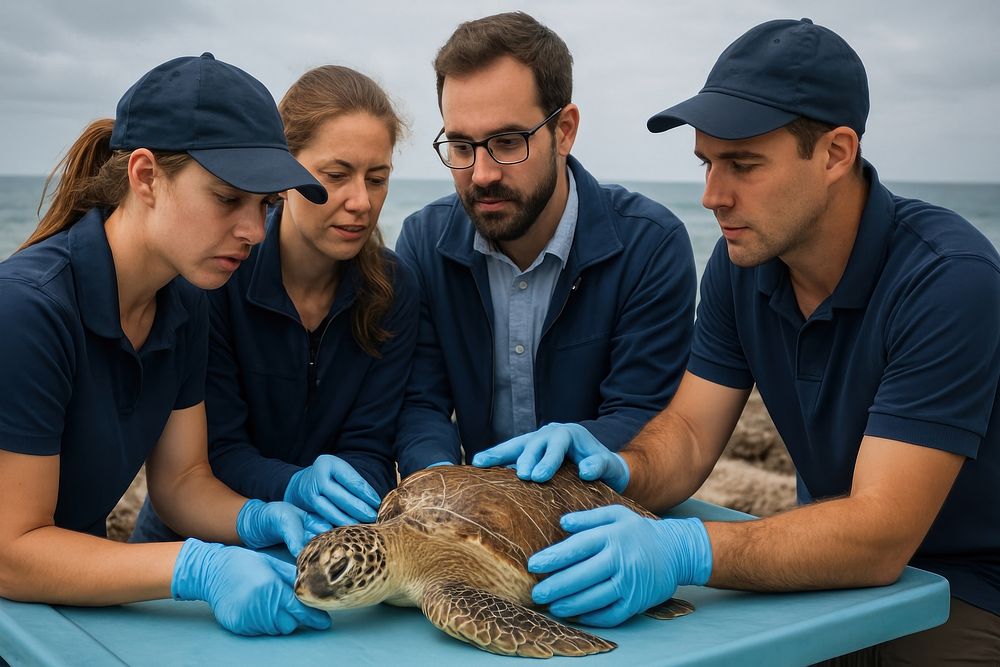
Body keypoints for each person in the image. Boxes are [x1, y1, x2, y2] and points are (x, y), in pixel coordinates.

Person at [473, 18, 1000, 663]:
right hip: (824, 568)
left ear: (835, 154)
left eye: (743, 165)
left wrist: (685, 549)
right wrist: (619, 470)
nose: (712, 196)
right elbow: (691, 435)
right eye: (707, 163)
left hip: (965, 587)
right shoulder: (742, 263)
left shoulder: (949, 281)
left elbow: (881, 534)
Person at [0, 53, 336, 637]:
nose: (256, 232)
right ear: (145, 175)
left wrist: (258, 518)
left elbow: (181, 482)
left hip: (64, 609)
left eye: (267, 205)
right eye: (229, 198)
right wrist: (195, 566)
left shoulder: (184, 305)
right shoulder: (28, 311)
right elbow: (11, 551)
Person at [393, 11, 696, 476]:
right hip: (471, 512)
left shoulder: (651, 246)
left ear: (565, 131)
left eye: (509, 142)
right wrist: (441, 487)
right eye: (461, 146)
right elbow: (420, 404)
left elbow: (641, 416)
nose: (482, 174)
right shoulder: (422, 242)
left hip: (597, 505)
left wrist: (573, 464)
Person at [131, 65, 418, 542]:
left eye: (377, 178)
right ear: (283, 170)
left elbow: (370, 445)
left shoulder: (393, 289)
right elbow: (213, 451)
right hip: (191, 542)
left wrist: (342, 515)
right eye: (336, 174)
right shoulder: (216, 274)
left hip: (323, 542)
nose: (360, 201)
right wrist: (293, 485)